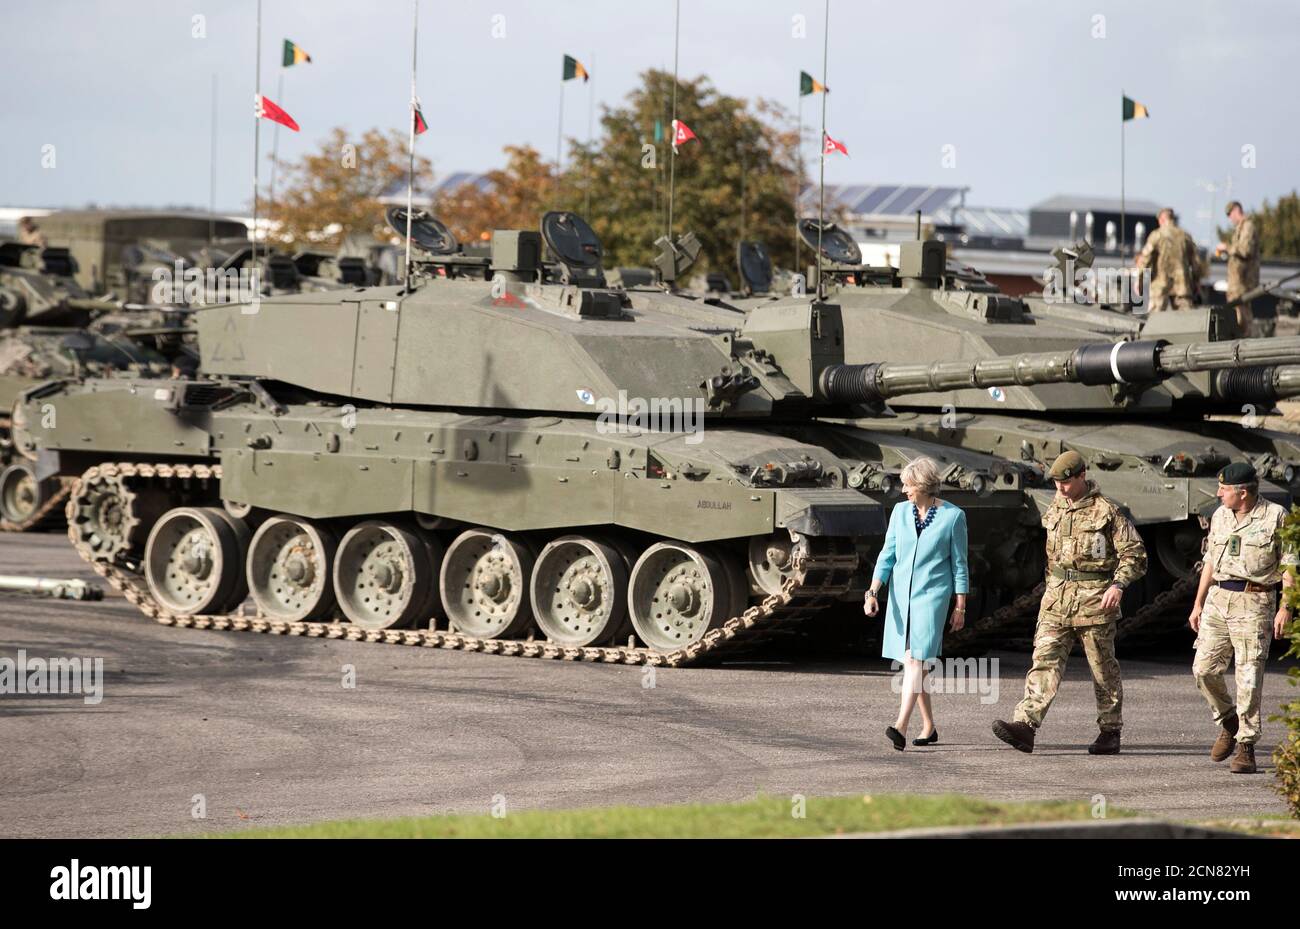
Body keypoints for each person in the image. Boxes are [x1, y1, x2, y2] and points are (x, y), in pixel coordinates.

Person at [992, 451, 1147, 755]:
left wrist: (1118, 584)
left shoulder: (1107, 512)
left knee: (1103, 670)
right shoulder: (1057, 507)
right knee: (1044, 660)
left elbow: (1136, 555)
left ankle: (1110, 731)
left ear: (1081, 476)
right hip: (1057, 600)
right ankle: (1025, 725)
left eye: (1065, 482)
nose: (1060, 488)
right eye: (1056, 483)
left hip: (1095, 602)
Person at [1188, 462, 1295, 774]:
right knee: (1203, 669)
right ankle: (1229, 721)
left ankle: (1246, 746)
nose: (1218, 493)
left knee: (1248, 675)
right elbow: (1209, 561)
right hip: (1219, 599)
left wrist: (1285, 607)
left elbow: (1289, 566)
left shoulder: (1276, 516)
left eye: (1224, 489)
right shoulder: (1220, 516)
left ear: (1243, 493)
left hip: (1256, 599)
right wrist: (1198, 603)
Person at [863, 456, 969, 751]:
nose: (904, 490)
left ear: (923, 485)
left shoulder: (953, 517)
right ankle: (929, 727)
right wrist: (872, 592)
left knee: (915, 661)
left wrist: (960, 607)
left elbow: (960, 565)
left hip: (933, 597)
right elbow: (887, 555)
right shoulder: (899, 512)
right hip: (901, 598)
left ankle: (900, 725)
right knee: (915, 664)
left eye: (908, 485)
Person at [1135, 208, 1200, 312]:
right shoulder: (1186, 236)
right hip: (1182, 286)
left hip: (1161, 285)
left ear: (1161, 219)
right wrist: (1196, 282)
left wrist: (1139, 280)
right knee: (1186, 322)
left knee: (1155, 322)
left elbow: (1145, 259)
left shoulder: (1157, 235)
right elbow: (1196, 262)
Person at [1216, 201, 1262, 336]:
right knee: (1237, 316)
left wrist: (1227, 247)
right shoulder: (1240, 228)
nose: (1230, 218)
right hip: (1237, 281)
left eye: (1230, 214)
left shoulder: (1248, 226)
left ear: (1237, 210)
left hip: (1243, 281)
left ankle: (1248, 348)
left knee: (1243, 317)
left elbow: (1245, 250)